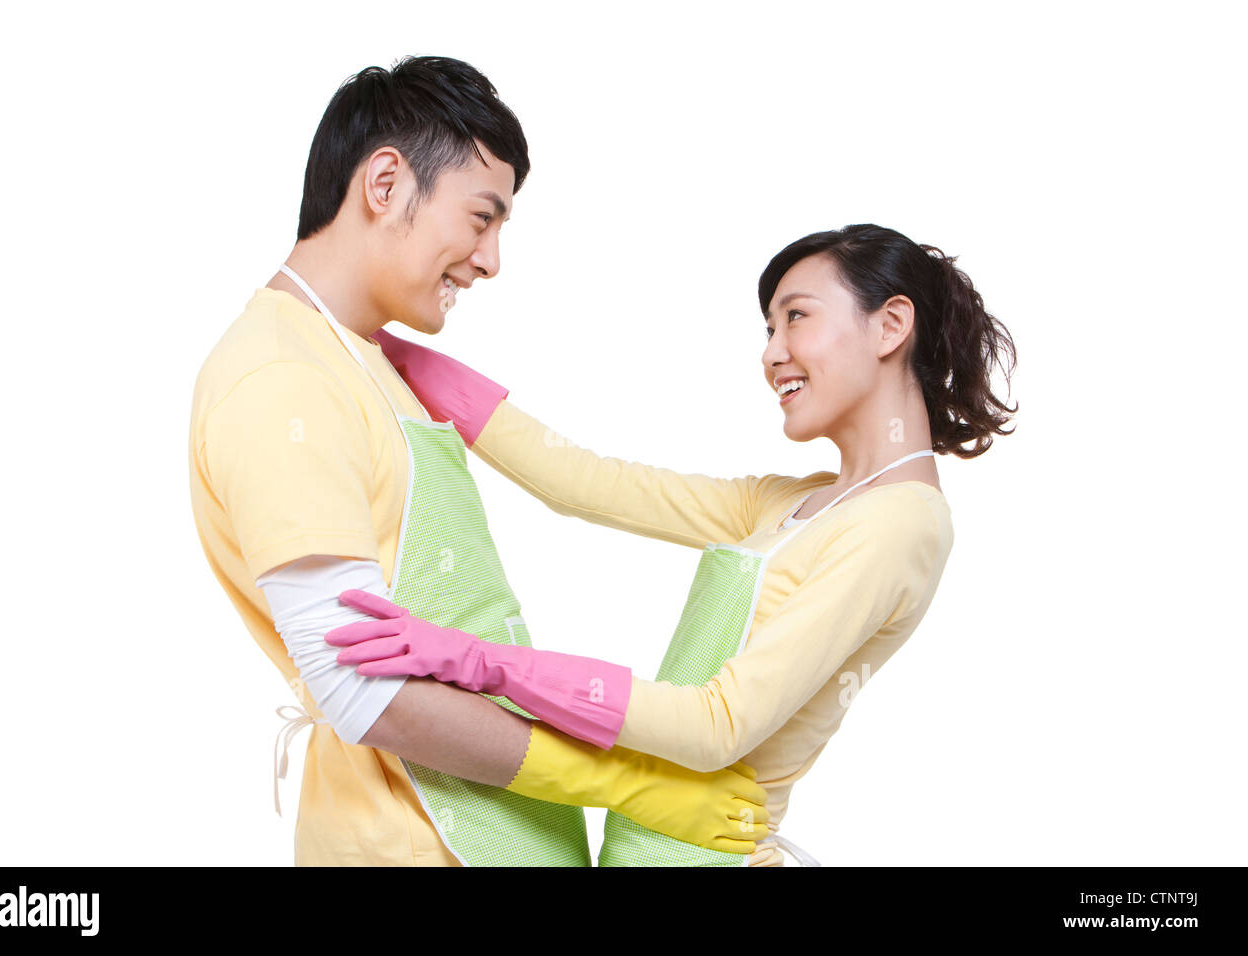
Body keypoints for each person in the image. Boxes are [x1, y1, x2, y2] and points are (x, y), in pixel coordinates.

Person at [188, 56, 769, 867]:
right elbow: (362, 689)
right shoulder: (283, 377)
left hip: (499, 837)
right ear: (385, 185)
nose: (491, 259)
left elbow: (587, 486)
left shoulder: (361, 359)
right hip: (411, 843)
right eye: (481, 217)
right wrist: (628, 782)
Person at [324, 223, 1019, 866]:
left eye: (796, 317)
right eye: (769, 328)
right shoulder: (790, 501)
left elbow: (718, 724)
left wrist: (484, 665)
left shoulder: (902, 524)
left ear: (891, 325)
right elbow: (583, 483)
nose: (772, 354)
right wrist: (375, 339)